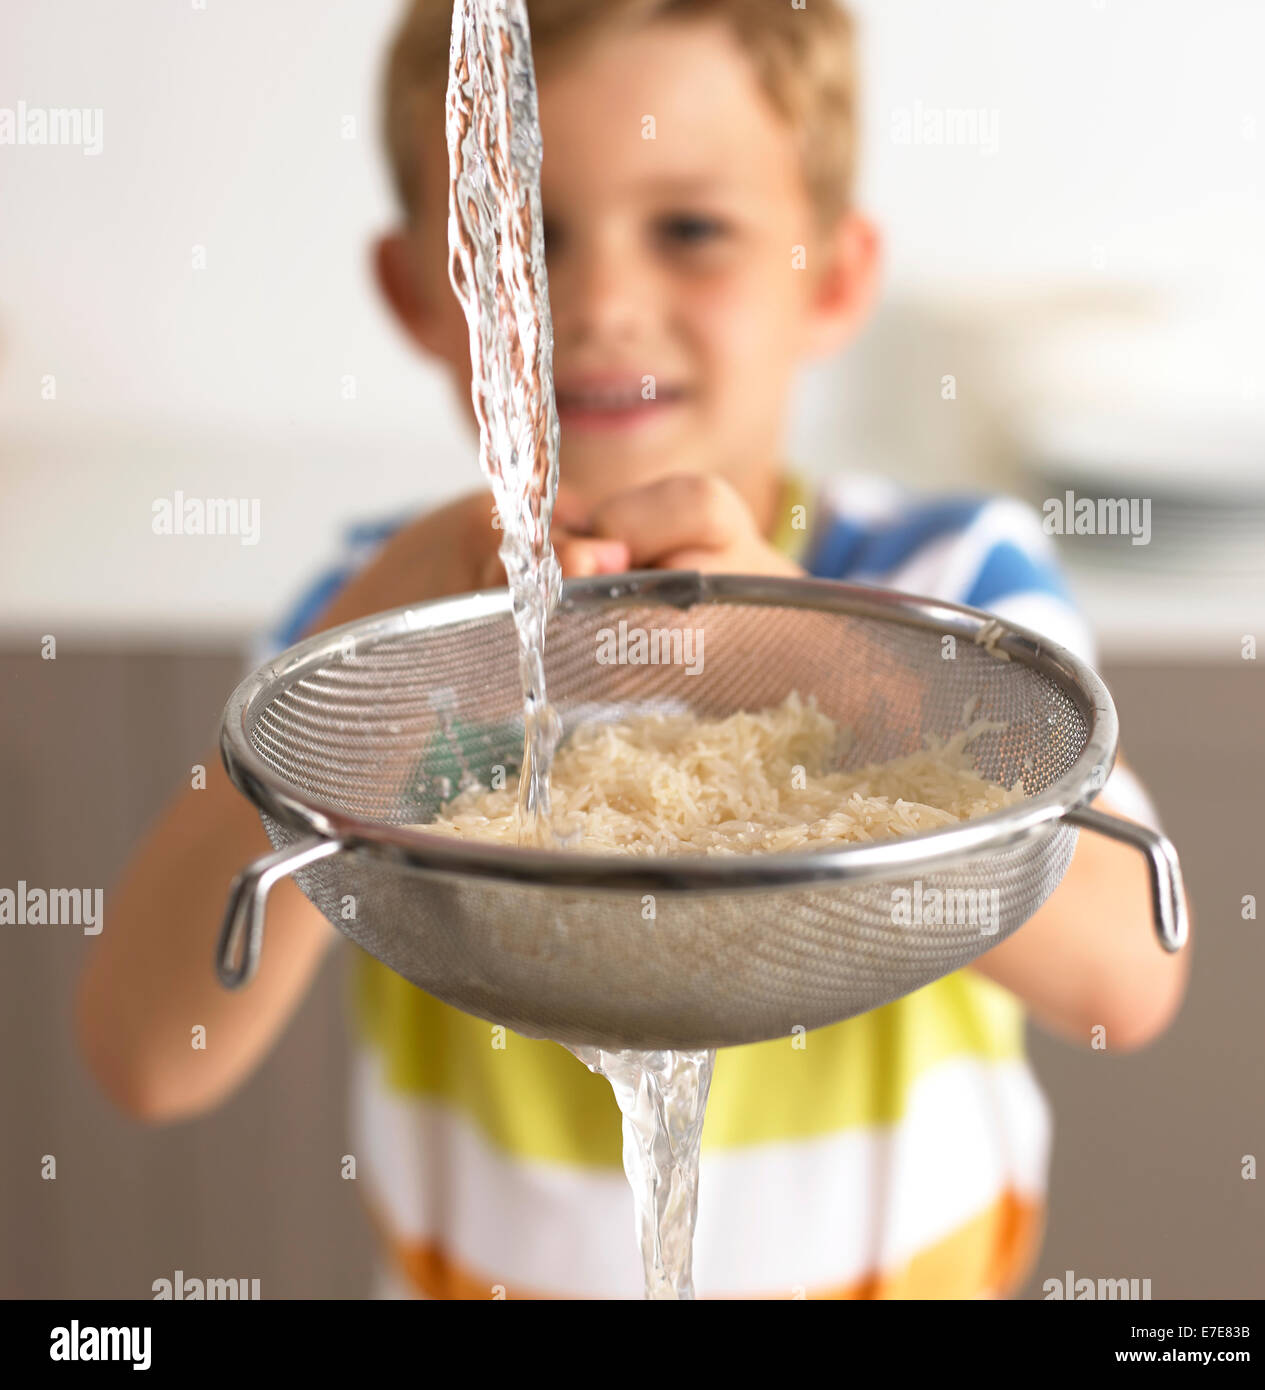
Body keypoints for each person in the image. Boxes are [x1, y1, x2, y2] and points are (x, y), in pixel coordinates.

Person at [78, 0, 1191, 1298]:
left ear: (830, 273)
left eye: (692, 230)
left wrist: (786, 639)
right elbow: (149, 1052)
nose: (596, 302)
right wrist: (375, 635)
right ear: (417, 291)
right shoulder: (375, 629)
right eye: (528, 231)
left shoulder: (946, 582)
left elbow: (1132, 976)